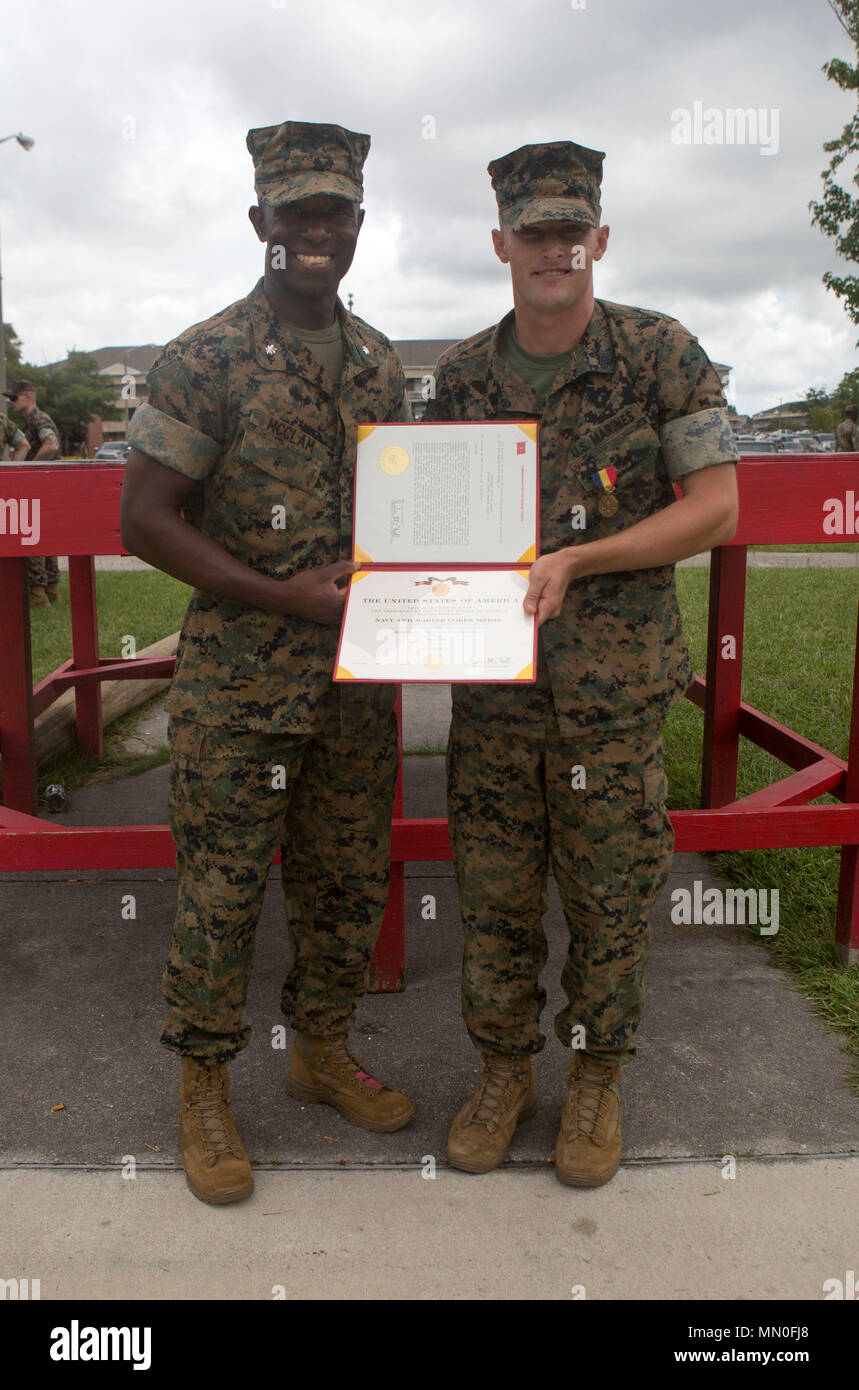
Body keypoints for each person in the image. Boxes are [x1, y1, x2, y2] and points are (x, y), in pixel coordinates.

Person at [424, 140, 739, 1187]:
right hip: (497, 687)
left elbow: (714, 507)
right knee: (498, 897)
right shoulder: (465, 376)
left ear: (598, 239)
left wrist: (581, 557)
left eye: (570, 231)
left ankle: (596, 1076)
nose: (551, 250)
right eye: (532, 232)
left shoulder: (660, 353)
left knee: (609, 895)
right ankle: (502, 1070)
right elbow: (428, 523)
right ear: (499, 244)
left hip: (611, 694)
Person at [121, 120, 413, 1207]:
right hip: (243, 681)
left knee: (344, 880)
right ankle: (204, 1084)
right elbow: (145, 519)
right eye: (297, 212)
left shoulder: (381, 361)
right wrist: (282, 594)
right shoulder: (207, 356)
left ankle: (320, 1049)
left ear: (359, 224)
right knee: (222, 888)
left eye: (335, 211)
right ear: (261, 224)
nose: (317, 230)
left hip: (357, 679)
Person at [3, 379, 62, 604]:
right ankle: (51, 591)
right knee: (45, 538)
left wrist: (29, 469)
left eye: (13, 398)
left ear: (27, 396)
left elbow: (52, 445)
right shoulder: (32, 421)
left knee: (33, 537)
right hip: (45, 485)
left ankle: (39, 593)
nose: (10, 403)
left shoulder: (39, 419)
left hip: (41, 485)